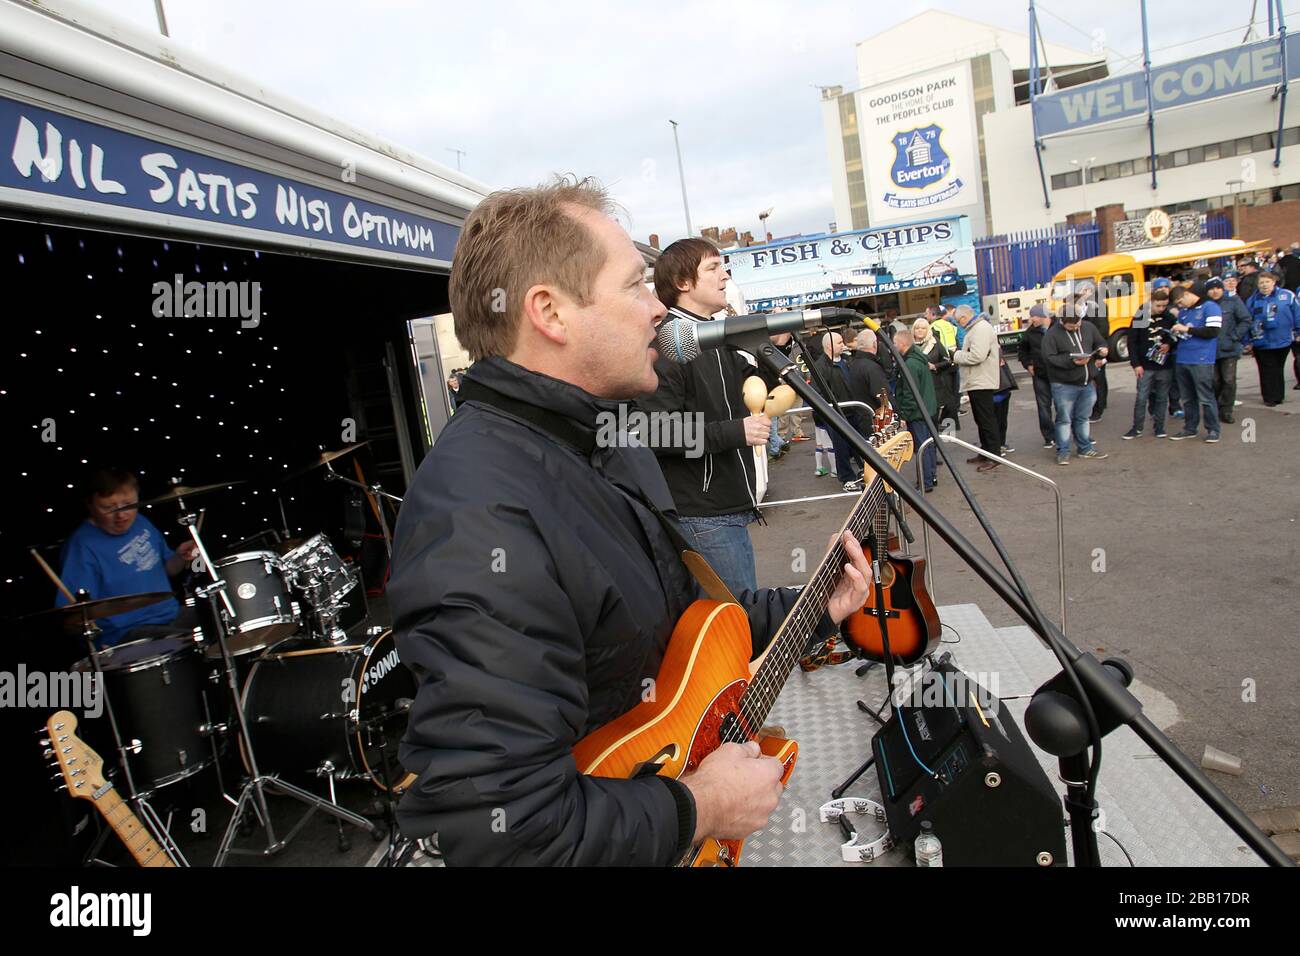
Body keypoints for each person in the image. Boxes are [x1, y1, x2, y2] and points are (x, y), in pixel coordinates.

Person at [388, 177, 873, 866]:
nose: (656, 311)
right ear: (551, 313)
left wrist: (817, 604)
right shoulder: (478, 515)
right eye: (636, 286)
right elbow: (510, 832)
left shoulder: (610, 442)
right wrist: (700, 807)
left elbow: (687, 629)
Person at [639, 237, 770, 597]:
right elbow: (654, 431)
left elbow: (747, 389)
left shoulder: (713, 335)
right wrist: (734, 432)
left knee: (743, 619)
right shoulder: (669, 343)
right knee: (737, 626)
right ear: (683, 283)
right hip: (704, 514)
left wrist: (777, 350)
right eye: (713, 267)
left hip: (727, 508)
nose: (725, 276)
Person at [56, 468, 200, 649]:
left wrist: (181, 556)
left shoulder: (141, 522)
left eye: (129, 504)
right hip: (126, 633)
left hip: (171, 614)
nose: (122, 515)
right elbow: (74, 616)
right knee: (195, 643)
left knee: (223, 617)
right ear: (90, 504)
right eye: (108, 507)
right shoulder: (81, 547)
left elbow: (168, 569)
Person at [1041, 303, 1109, 465]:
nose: (1076, 327)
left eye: (1078, 323)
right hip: (1063, 384)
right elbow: (1049, 358)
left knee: (1083, 417)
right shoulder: (1052, 335)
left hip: (1086, 382)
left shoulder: (1088, 327)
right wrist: (1073, 361)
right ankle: (1063, 451)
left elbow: (1100, 341)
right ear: (1062, 322)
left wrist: (1102, 349)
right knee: (1064, 419)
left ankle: (1084, 448)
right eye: (1071, 326)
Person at [949, 305, 1002, 473]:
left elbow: (977, 356)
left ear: (965, 317)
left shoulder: (980, 329)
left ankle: (994, 455)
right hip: (977, 380)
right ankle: (986, 452)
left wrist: (956, 355)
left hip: (981, 380)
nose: (959, 324)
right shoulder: (978, 328)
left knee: (986, 419)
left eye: (959, 320)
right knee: (981, 419)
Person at [1168, 283, 1222, 442]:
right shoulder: (1184, 312)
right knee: (1187, 397)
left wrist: (1187, 330)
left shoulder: (1210, 307)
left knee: (1205, 396)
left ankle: (1213, 429)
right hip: (1183, 357)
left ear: (1186, 295)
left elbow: (1213, 331)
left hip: (1201, 358)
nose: (1179, 306)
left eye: (1179, 302)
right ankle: (1190, 428)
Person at [811, 330, 865, 491]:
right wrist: (830, 410)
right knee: (841, 447)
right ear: (829, 346)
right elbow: (817, 392)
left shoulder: (848, 360)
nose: (844, 345)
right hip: (835, 414)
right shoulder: (820, 367)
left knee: (857, 444)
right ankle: (846, 478)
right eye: (840, 342)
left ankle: (862, 471)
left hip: (853, 409)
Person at [1124, 288, 1176, 440]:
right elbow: (1131, 342)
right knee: (1141, 398)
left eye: (1164, 306)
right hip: (1144, 366)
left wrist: (1169, 345)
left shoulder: (1168, 316)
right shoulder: (1140, 316)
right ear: (1151, 302)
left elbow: (1176, 335)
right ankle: (1136, 428)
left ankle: (1159, 427)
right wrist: (1136, 364)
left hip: (1164, 365)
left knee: (1162, 397)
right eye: (1158, 306)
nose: (1161, 309)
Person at [892, 328, 939, 492]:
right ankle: (931, 476)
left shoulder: (910, 364)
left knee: (921, 447)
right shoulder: (918, 358)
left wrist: (903, 414)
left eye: (895, 343)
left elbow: (910, 393)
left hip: (918, 413)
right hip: (928, 408)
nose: (893, 345)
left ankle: (926, 482)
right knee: (929, 444)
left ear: (903, 344)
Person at [1244, 270, 1300, 406]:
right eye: (1261, 282)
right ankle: (1269, 397)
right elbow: (1246, 320)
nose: (1264, 285)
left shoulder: (1287, 296)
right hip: (1261, 341)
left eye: (1267, 282)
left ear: (1273, 282)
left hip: (1283, 339)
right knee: (1267, 369)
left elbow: (1297, 314)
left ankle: (1279, 396)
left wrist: (1299, 331)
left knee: (1278, 368)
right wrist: (1247, 340)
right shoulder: (1252, 300)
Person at [1205, 277, 1251, 425]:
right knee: (1215, 381)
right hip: (1210, 349)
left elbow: (1245, 319)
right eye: (1211, 289)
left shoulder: (1233, 302)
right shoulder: (1205, 305)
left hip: (1229, 348)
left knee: (1229, 380)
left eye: (1217, 288)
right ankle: (1217, 405)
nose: (1215, 291)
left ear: (1222, 289)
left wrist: (1235, 336)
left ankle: (1226, 410)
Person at [1017, 304, 1055, 449]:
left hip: (1059, 373)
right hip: (1040, 374)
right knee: (1043, 406)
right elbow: (1022, 351)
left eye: (1033, 316)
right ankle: (1049, 436)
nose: (1031, 319)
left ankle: (1064, 435)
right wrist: (1028, 365)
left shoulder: (1057, 328)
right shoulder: (1030, 333)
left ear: (1042, 316)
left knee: (1062, 405)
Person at [912, 317, 959, 431]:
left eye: (923, 328)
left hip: (934, 385)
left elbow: (947, 361)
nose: (920, 330)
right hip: (917, 385)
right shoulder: (910, 346)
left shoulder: (935, 342)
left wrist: (934, 366)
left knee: (933, 416)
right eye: (917, 328)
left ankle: (934, 440)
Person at [1073, 284, 1110, 422]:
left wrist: (1099, 355)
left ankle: (1098, 409)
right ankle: (1099, 404)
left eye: (1084, 290)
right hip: (1090, 352)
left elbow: (1102, 332)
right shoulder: (1086, 308)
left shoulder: (1097, 308)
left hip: (1096, 352)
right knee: (1096, 380)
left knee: (1098, 380)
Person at [846, 328, 892, 414]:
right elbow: (882, 396)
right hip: (877, 418)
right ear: (874, 344)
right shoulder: (872, 368)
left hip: (862, 416)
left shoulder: (853, 365)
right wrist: (897, 415)